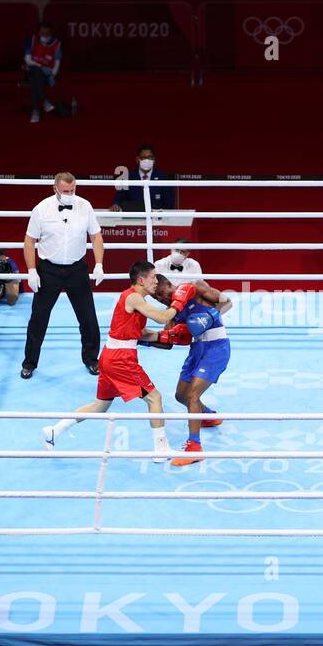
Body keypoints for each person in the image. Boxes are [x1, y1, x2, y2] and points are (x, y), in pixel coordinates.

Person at [42, 261, 180, 460]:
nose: (156, 282)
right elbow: (162, 317)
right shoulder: (134, 297)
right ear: (141, 280)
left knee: (101, 406)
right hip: (121, 360)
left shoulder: (134, 299)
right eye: (153, 277)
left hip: (110, 356)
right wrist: (179, 302)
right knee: (154, 398)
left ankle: (54, 431)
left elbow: (138, 333)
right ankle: (161, 450)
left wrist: (164, 337)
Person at [21, 172, 106, 379]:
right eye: (66, 191)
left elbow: (96, 236)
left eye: (73, 190)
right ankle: (29, 363)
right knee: (38, 318)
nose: (70, 194)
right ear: (55, 188)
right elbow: (29, 241)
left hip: (77, 269)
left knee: (88, 317)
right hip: (48, 270)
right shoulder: (41, 209)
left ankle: (92, 359)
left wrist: (99, 264)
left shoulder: (85, 206)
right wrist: (31, 270)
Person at [147, 275, 233, 464]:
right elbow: (168, 342)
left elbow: (227, 303)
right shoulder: (172, 312)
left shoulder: (196, 288)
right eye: (156, 298)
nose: (161, 299)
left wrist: (212, 315)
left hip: (217, 347)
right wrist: (142, 340)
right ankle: (207, 416)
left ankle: (194, 447)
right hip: (197, 350)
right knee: (181, 396)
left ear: (169, 284)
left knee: (193, 396)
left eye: (161, 293)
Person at [112, 144, 177, 212]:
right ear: (137, 159)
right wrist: (115, 204)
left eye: (149, 157)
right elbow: (119, 196)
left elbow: (169, 202)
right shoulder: (128, 176)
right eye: (143, 157)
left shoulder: (163, 177)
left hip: (157, 219)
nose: (147, 160)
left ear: (154, 160)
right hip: (133, 218)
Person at [23, 21, 64, 122]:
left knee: (35, 82)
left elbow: (57, 63)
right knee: (35, 72)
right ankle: (45, 101)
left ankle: (36, 111)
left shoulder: (57, 44)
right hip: (32, 68)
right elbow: (28, 59)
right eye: (42, 33)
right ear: (38, 33)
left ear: (51, 34)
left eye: (47, 34)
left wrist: (53, 75)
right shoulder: (31, 40)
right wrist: (40, 66)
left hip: (47, 72)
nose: (44, 36)